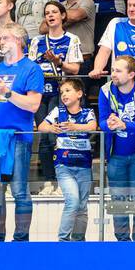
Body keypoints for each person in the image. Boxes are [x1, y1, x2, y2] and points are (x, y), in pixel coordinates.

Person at [0, 22, 44, 242]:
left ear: (18, 40)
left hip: (18, 138)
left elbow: (33, 104)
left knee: (19, 191)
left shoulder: (31, 68)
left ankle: (21, 239)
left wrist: (7, 93)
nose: (0, 42)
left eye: (4, 38)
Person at [98, 54, 135, 242]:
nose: (113, 73)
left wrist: (125, 125)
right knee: (118, 201)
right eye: (113, 69)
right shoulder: (105, 90)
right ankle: (122, 242)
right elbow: (101, 122)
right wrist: (110, 124)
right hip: (115, 155)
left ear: (131, 74)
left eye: (118, 70)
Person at [30, 1, 85, 196]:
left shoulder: (72, 39)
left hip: (60, 92)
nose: (50, 15)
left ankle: (63, 180)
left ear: (63, 15)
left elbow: (76, 69)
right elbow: (30, 67)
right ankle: (48, 181)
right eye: (47, 13)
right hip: (39, 92)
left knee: (58, 136)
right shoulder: (37, 41)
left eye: (54, 12)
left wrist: (57, 61)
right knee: (45, 137)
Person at [38, 77, 99, 241]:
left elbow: (93, 126)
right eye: (61, 92)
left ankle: (78, 241)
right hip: (63, 165)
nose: (64, 95)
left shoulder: (88, 112)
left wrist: (74, 127)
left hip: (84, 166)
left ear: (79, 94)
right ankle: (63, 240)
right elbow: (41, 126)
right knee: (72, 201)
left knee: (82, 206)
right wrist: (52, 127)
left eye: (68, 91)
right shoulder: (58, 111)